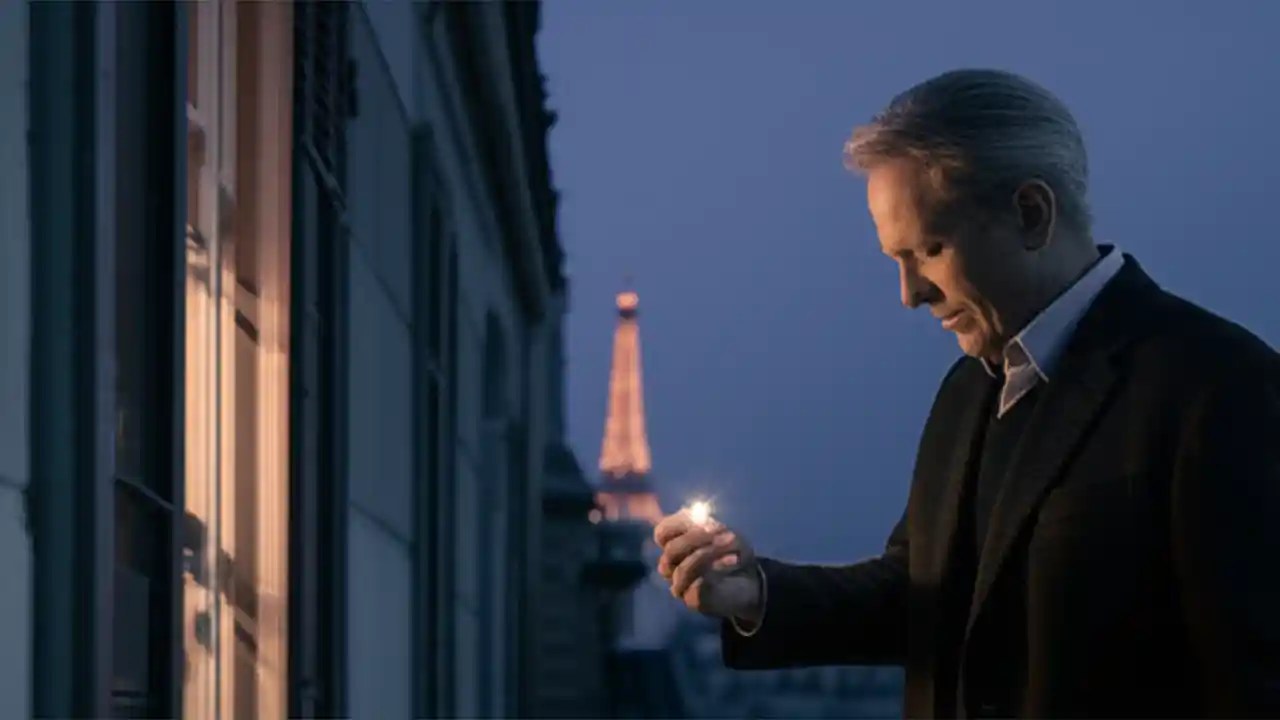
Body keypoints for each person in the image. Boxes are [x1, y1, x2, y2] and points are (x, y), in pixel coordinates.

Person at [654, 68, 1280, 718]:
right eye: (895, 258)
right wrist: (754, 593)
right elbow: (922, 593)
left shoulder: (1219, 386)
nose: (909, 293)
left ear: (1032, 214)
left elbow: (1254, 678)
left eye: (929, 249)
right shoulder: (967, 389)